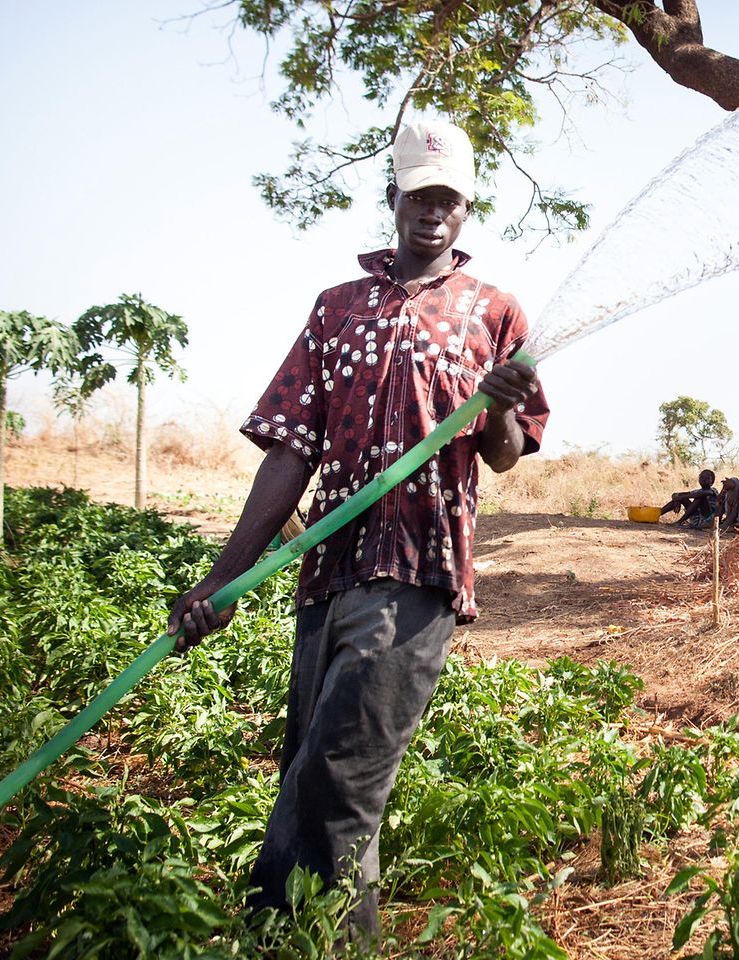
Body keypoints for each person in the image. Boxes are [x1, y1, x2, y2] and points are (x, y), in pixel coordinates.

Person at [165, 119, 548, 940]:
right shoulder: (337, 308)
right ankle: (340, 943)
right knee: (319, 780)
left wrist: (504, 405)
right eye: (418, 197)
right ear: (393, 200)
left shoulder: (495, 311)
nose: (432, 213)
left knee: (337, 782)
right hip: (326, 575)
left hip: (417, 576)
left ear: (467, 209)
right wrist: (222, 581)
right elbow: (288, 455)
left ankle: (271, 941)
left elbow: (505, 456)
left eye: (447, 199)